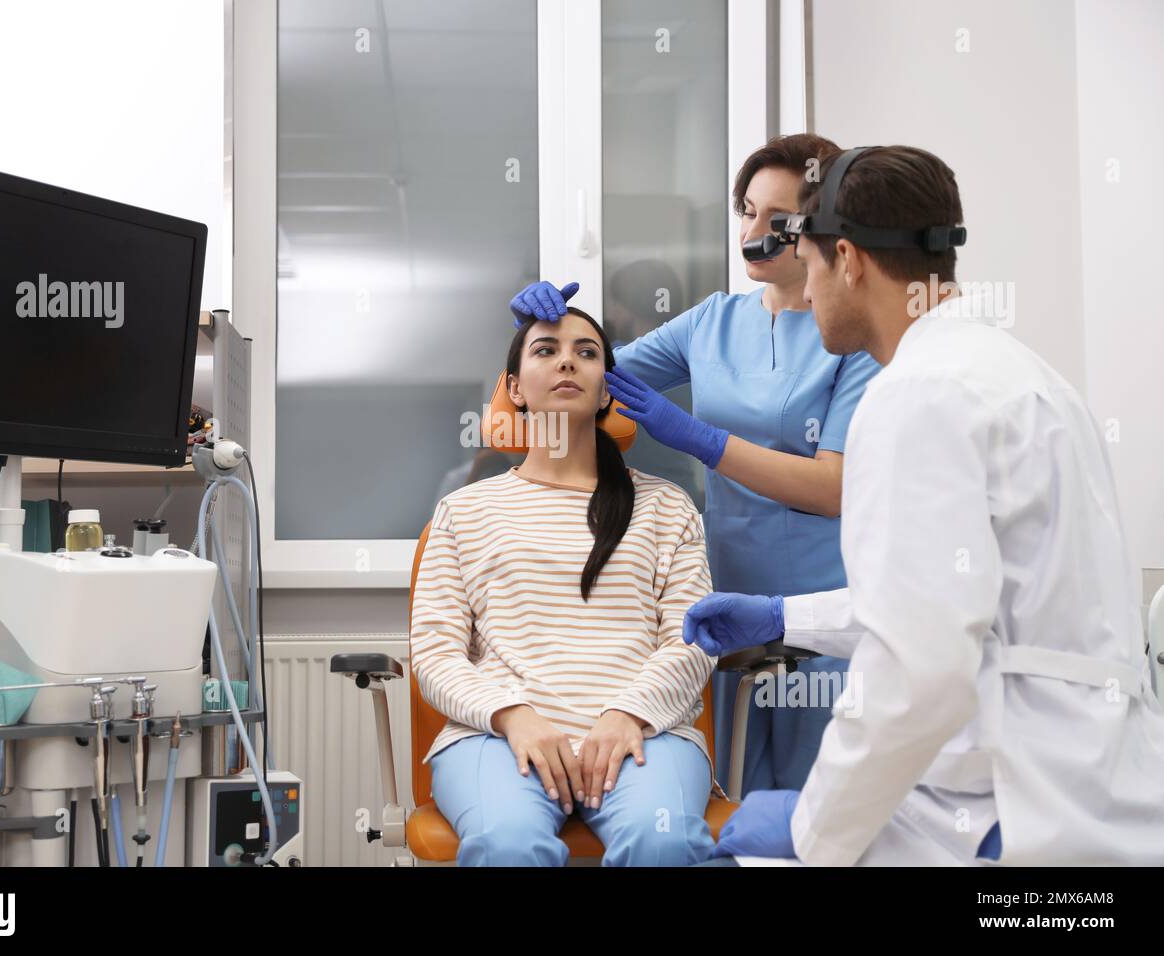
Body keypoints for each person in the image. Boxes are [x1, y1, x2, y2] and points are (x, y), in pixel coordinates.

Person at [688, 145, 1164, 865]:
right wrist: (789, 618)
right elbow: (952, 601)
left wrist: (813, 828)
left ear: (847, 260)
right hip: (1094, 796)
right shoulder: (1022, 377)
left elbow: (919, 668)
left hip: (1014, 822)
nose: (807, 295)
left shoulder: (915, 397)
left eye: (811, 268)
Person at [510, 134, 882, 798]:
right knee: (733, 807)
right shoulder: (711, 322)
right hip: (724, 613)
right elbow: (570, 389)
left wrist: (700, 439)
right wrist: (547, 337)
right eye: (745, 212)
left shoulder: (851, 337)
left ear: (823, 228)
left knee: (821, 818)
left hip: (824, 619)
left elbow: (833, 489)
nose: (752, 232)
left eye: (776, 221)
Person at [411, 306, 719, 866]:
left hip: (643, 735)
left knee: (664, 840)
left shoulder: (665, 507)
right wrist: (514, 715)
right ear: (514, 389)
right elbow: (435, 654)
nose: (567, 363)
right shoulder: (465, 511)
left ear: (606, 392)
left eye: (586, 352)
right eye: (546, 350)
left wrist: (628, 714)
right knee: (509, 843)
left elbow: (691, 640)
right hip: (501, 739)